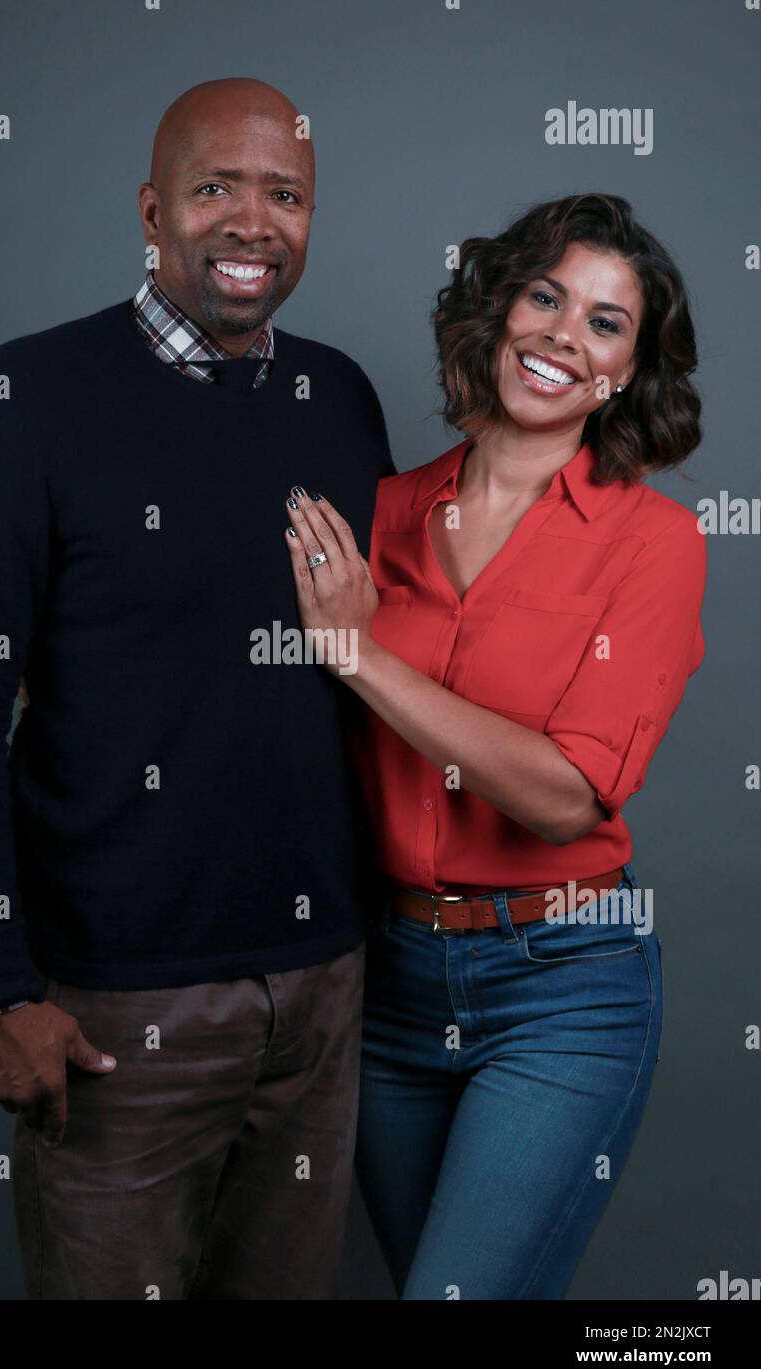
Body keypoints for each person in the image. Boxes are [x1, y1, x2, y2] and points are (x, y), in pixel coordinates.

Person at [0, 77, 395, 1300]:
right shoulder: (18, 406)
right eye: (215, 186)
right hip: (118, 1007)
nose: (251, 222)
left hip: (323, 992)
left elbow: (363, 677)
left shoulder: (338, 399)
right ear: (151, 209)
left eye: (284, 193)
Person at [281, 193, 706, 1299]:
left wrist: (358, 654)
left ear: (625, 372)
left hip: (563, 981)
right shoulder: (376, 512)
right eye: (545, 295)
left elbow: (567, 795)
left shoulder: (652, 543)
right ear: (499, 311)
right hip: (385, 987)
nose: (564, 334)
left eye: (605, 324)